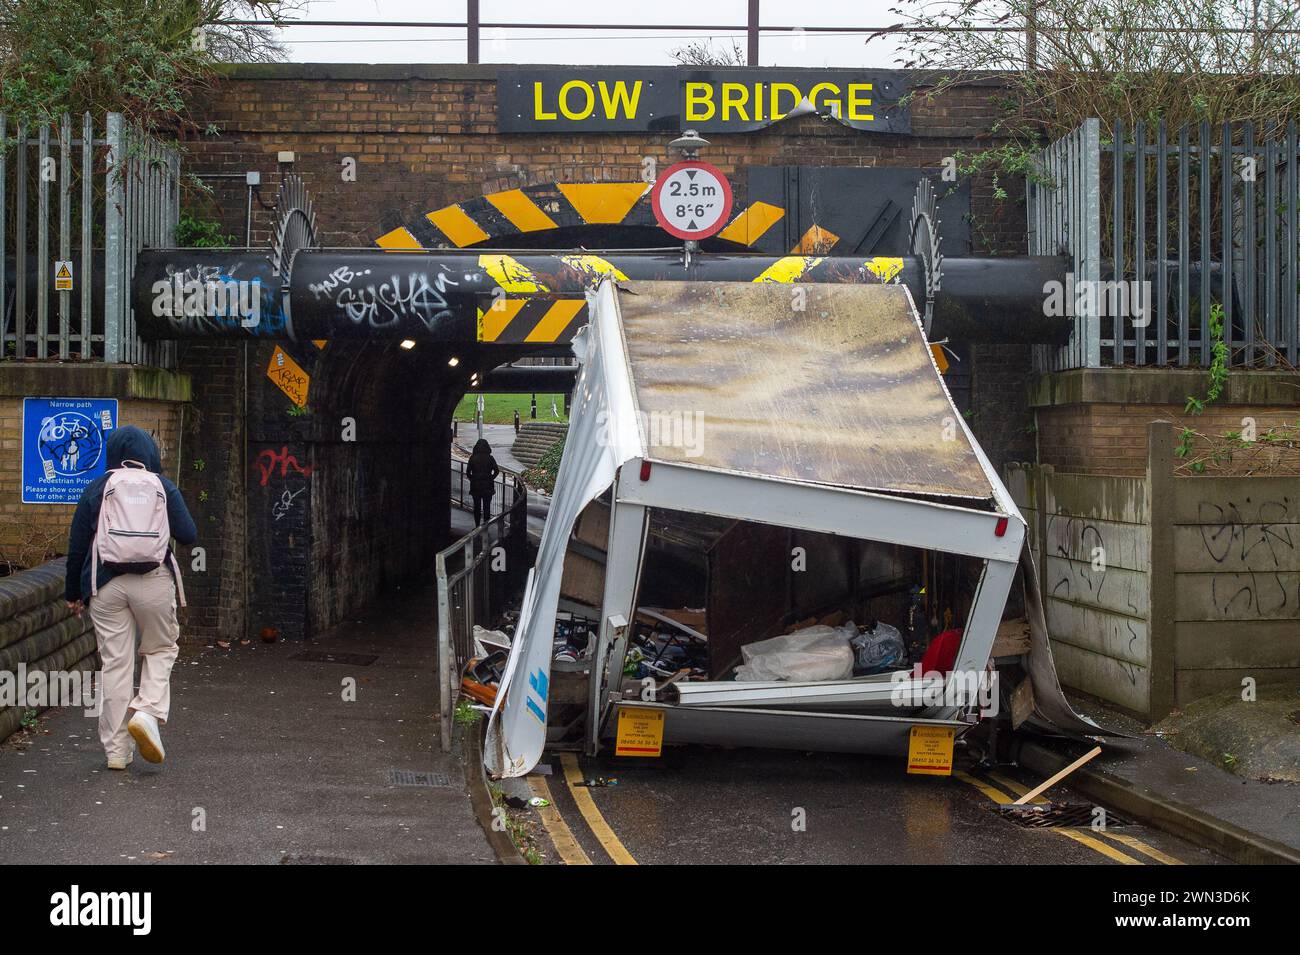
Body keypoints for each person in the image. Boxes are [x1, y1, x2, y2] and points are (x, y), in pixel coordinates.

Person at [65, 426, 197, 770]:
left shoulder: (98, 487)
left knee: (116, 666)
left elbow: (78, 545)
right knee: (160, 648)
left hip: (106, 587)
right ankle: (148, 712)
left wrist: (73, 594)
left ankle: (116, 753)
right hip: (153, 583)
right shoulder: (162, 486)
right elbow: (188, 534)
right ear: (150, 455)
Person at [465, 437, 500, 525]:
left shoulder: (473, 458)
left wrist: (472, 479)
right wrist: (491, 478)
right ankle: (486, 526)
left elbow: (468, 472)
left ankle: (477, 525)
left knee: (477, 507)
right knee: (486, 507)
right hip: (488, 486)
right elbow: (496, 471)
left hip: (475, 486)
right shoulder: (490, 458)